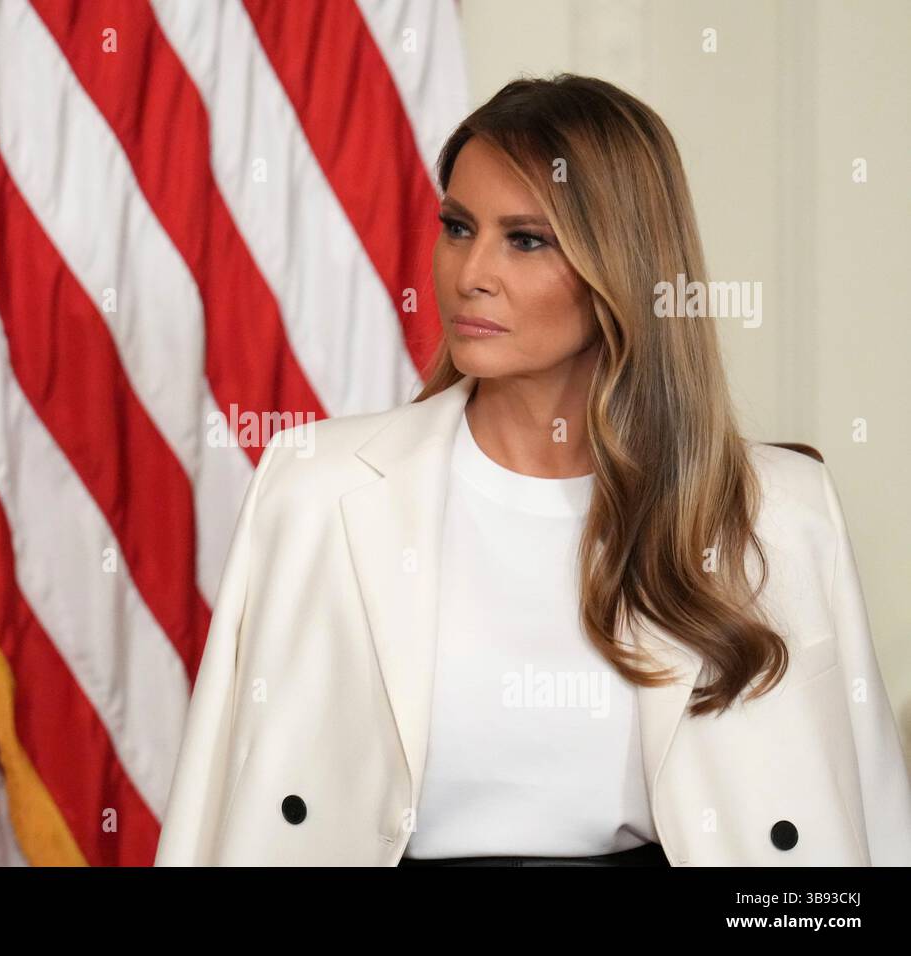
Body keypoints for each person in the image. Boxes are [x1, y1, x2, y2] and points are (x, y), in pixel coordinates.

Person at [154, 74, 911, 867]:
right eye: (457, 226)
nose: (470, 272)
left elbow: (862, 819)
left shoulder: (779, 514)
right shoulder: (315, 486)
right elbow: (218, 799)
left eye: (525, 239)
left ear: (619, 265)